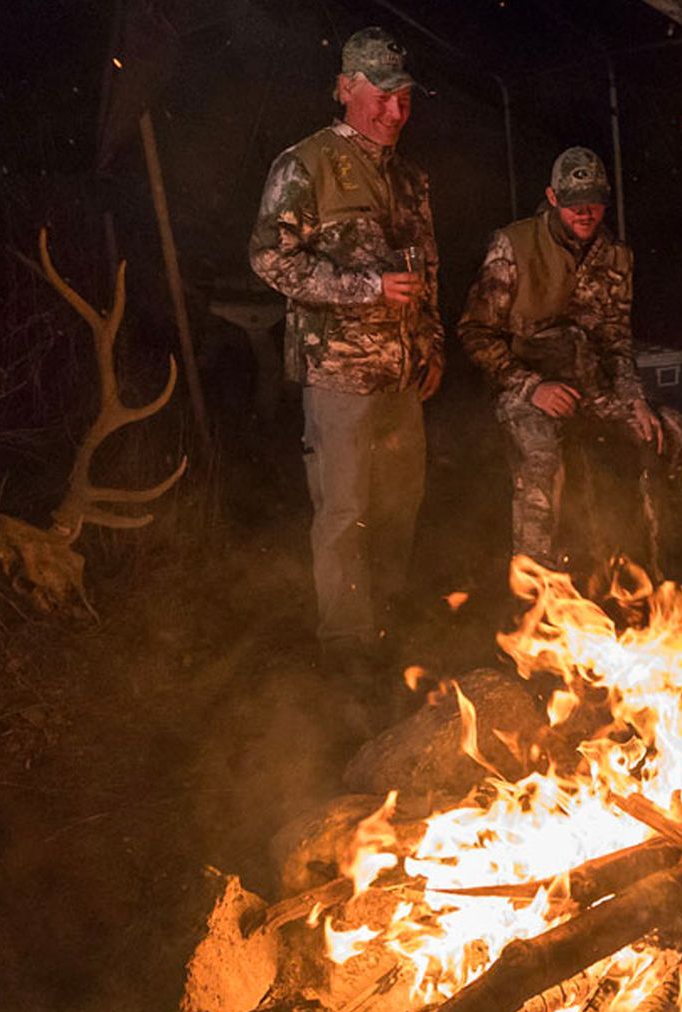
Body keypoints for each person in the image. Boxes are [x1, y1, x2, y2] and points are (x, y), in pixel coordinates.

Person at [248, 27, 443, 668]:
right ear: (346, 89)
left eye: (404, 99)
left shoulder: (411, 178)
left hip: (402, 375)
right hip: (338, 374)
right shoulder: (304, 165)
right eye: (382, 98)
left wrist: (431, 345)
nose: (395, 113)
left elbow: (428, 271)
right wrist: (367, 288)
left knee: (399, 506)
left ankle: (388, 623)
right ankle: (348, 645)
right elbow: (270, 259)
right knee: (344, 511)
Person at [458, 147, 682, 573]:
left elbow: (617, 341)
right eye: (573, 203)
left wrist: (635, 399)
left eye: (594, 202)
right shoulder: (513, 245)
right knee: (542, 454)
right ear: (553, 197)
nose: (584, 213)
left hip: (591, 384)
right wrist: (533, 387)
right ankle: (536, 585)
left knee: (675, 433)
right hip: (524, 385)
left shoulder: (616, 256)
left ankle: (661, 565)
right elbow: (474, 333)